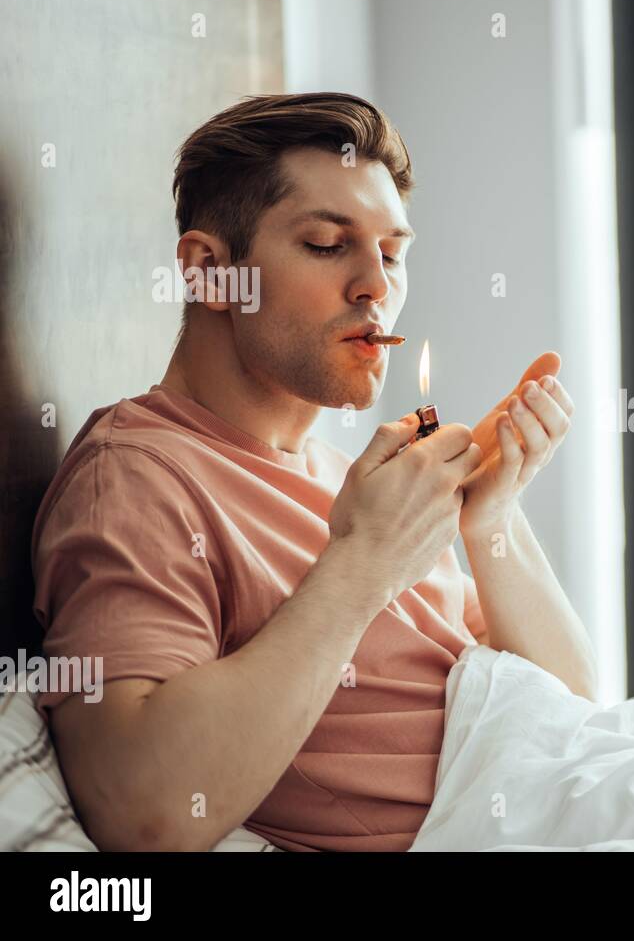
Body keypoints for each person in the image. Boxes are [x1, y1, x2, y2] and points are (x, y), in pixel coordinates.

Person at [30, 92, 597, 852]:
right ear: (210, 271)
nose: (377, 287)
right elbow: (145, 809)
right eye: (330, 245)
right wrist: (362, 565)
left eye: (392, 254)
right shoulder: (138, 478)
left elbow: (574, 711)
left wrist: (491, 518)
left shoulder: (357, 482)